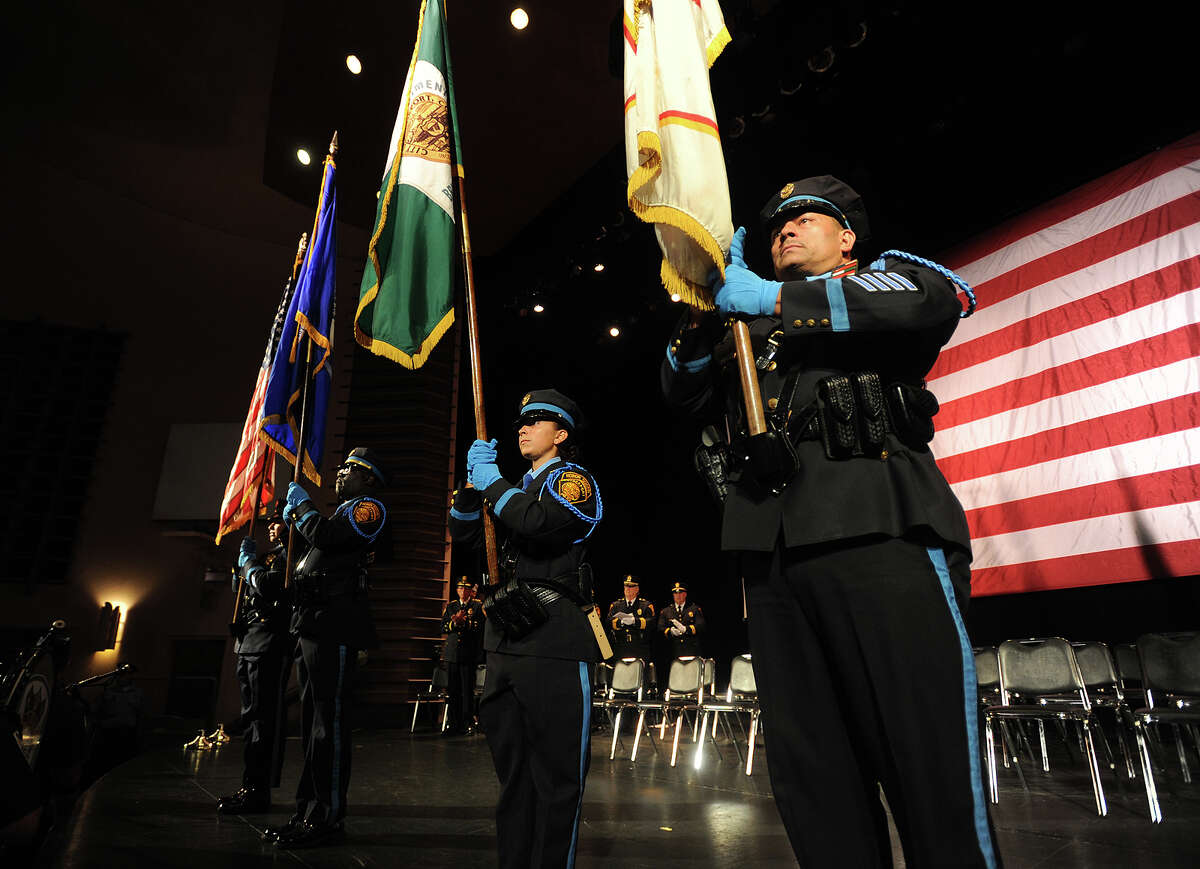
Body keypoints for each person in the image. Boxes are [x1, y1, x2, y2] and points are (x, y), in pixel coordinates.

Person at [660, 176, 1000, 868]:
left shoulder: (886, 279)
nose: (785, 230)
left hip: (879, 531)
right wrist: (700, 313)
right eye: (776, 226)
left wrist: (772, 298)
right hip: (773, 553)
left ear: (847, 238)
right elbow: (682, 391)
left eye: (805, 219)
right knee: (815, 773)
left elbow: (934, 300)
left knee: (926, 754)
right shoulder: (748, 331)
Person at [448, 389, 603, 869]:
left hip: (554, 640)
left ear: (561, 435)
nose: (523, 428)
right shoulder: (510, 489)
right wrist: (470, 489)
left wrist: (493, 485)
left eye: (536, 421)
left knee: (557, 779)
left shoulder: (572, 480)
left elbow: (539, 523)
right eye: (521, 421)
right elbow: (464, 535)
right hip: (506, 639)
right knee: (513, 778)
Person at [265, 447, 386, 849]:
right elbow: (312, 556)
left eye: (351, 469)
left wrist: (303, 508)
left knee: (327, 727)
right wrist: (293, 529)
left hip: (337, 625)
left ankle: (327, 816)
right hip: (314, 622)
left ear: (369, 479)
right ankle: (307, 810)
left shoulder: (368, 509)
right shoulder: (339, 514)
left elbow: (329, 539)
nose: (340, 472)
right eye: (342, 467)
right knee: (311, 727)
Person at [217, 502, 292, 815]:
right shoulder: (268, 556)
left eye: (278, 522)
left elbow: (267, 587)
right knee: (250, 718)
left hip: (270, 642)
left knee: (262, 720)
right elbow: (246, 589)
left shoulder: (292, 554)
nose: (271, 527)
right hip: (249, 641)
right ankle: (249, 784)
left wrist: (248, 565)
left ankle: (258, 790)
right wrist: (242, 569)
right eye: (270, 522)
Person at [440, 577, 484, 735]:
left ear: (470, 591)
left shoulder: (477, 605)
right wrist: (454, 623)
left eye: (466, 588)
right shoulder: (451, 606)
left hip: (468, 654)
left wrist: (465, 623)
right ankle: (453, 724)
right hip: (452, 654)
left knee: (467, 691)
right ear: (457, 590)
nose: (463, 591)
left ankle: (467, 723)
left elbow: (480, 628)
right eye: (460, 588)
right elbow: (443, 627)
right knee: (453, 691)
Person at [607, 574, 655, 662]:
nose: (628, 589)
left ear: (637, 589)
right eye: (626, 586)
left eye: (631, 586)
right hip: (620, 648)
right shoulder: (616, 605)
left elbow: (651, 623)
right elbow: (608, 622)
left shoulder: (645, 605)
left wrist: (635, 621)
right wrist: (621, 622)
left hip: (639, 649)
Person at [657, 581, 705, 659]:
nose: (678, 596)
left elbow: (701, 626)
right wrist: (670, 631)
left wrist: (686, 629)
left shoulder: (694, 609)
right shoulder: (666, 611)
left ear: (685, 594)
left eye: (680, 593)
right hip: (673, 651)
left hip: (692, 650)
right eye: (675, 594)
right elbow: (660, 628)